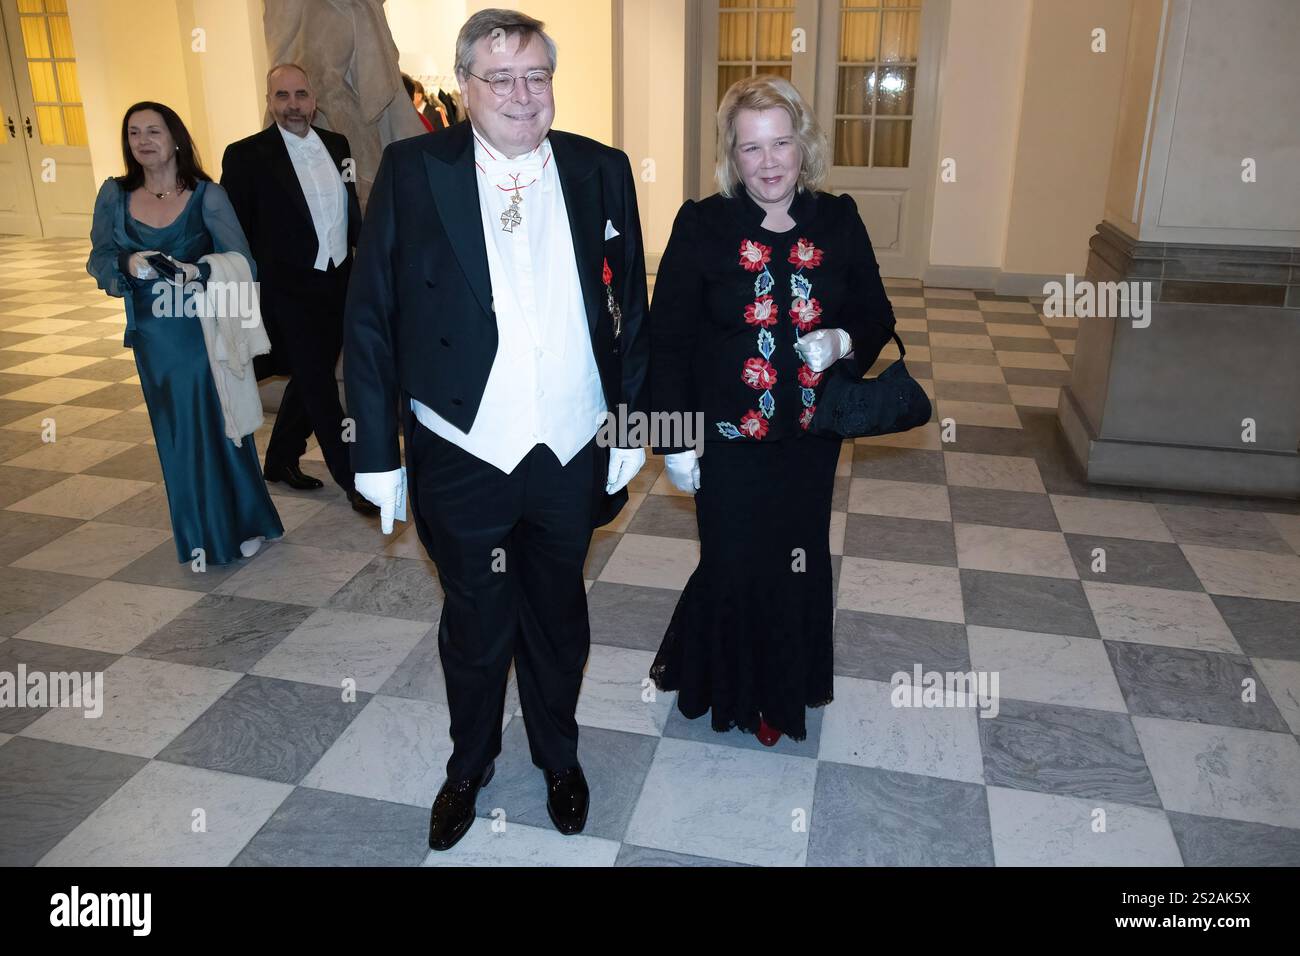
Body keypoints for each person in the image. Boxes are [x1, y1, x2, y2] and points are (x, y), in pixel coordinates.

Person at [345, 9, 648, 850]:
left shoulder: (601, 169)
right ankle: (468, 766)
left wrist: (633, 424)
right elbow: (370, 315)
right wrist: (377, 451)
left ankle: (560, 757)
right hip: (463, 448)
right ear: (465, 88)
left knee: (559, 615)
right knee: (475, 623)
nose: (523, 95)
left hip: (568, 447)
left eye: (538, 77)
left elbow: (633, 312)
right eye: (501, 78)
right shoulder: (412, 170)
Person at [649, 75, 897, 745]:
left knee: (796, 561)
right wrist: (671, 441)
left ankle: (776, 699)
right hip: (726, 440)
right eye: (750, 147)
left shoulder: (838, 219)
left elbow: (875, 314)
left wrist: (844, 340)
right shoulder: (702, 224)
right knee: (732, 562)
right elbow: (665, 340)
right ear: (732, 155)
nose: (768, 162)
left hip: (810, 441)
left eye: (780, 143)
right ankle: (723, 687)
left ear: (803, 145)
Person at [87, 101, 284, 565]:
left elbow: (244, 261)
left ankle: (245, 521)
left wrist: (197, 271)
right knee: (175, 435)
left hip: (203, 330)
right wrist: (125, 262)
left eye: (153, 131)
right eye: (134, 133)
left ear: (174, 138)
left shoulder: (206, 195)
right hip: (153, 338)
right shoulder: (113, 195)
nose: (144, 141)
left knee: (221, 425)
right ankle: (201, 533)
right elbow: (98, 256)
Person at [221, 63, 377, 516]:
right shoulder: (246, 154)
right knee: (321, 387)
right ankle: (356, 481)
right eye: (283, 96)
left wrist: (363, 262)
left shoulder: (337, 144)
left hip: (339, 280)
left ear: (315, 100)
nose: (293, 105)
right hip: (287, 290)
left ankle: (281, 457)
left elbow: (348, 212)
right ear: (270, 101)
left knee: (313, 376)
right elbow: (235, 230)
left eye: (301, 95)